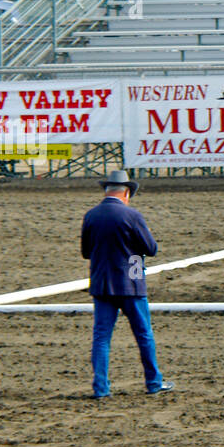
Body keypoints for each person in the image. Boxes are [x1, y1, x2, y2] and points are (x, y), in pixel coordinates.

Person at [81, 169, 174, 398]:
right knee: (144, 334)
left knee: (101, 337)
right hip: (131, 282)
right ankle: (153, 382)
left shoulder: (91, 215)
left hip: (102, 283)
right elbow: (151, 249)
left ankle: (101, 388)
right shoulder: (132, 216)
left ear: (106, 191)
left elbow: (85, 252)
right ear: (126, 193)